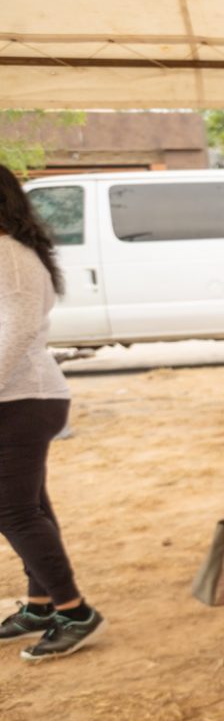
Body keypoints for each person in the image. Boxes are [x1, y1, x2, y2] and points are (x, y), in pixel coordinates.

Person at [0, 165, 105, 661]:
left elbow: (18, 332)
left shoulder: (9, 253)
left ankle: (74, 610)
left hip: (24, 398)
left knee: (14, 510)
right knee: (29, 506)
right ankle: (42, 604)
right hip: (19, 397)